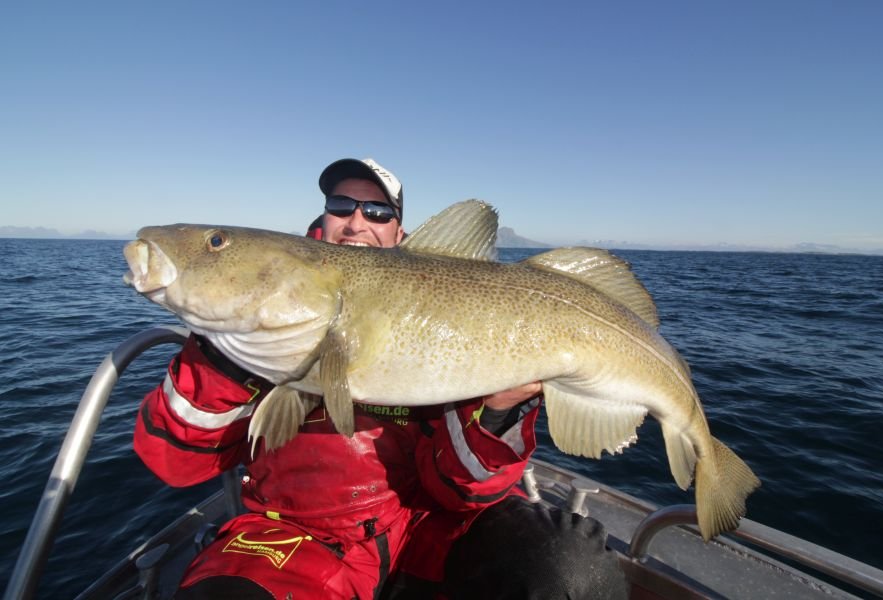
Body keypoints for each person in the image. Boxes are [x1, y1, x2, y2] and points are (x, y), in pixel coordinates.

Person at [134, 158, 627, 599]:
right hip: (299, 532)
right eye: (341, 203)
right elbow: (176, 465)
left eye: (377, 212)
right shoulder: (253, 324)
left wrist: (500, 410)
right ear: (323, 216)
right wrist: (226, 349)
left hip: (430, 523)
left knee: (570, 570)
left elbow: (465, 491)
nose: (356, 220)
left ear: (399, 230)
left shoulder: (456, 307)